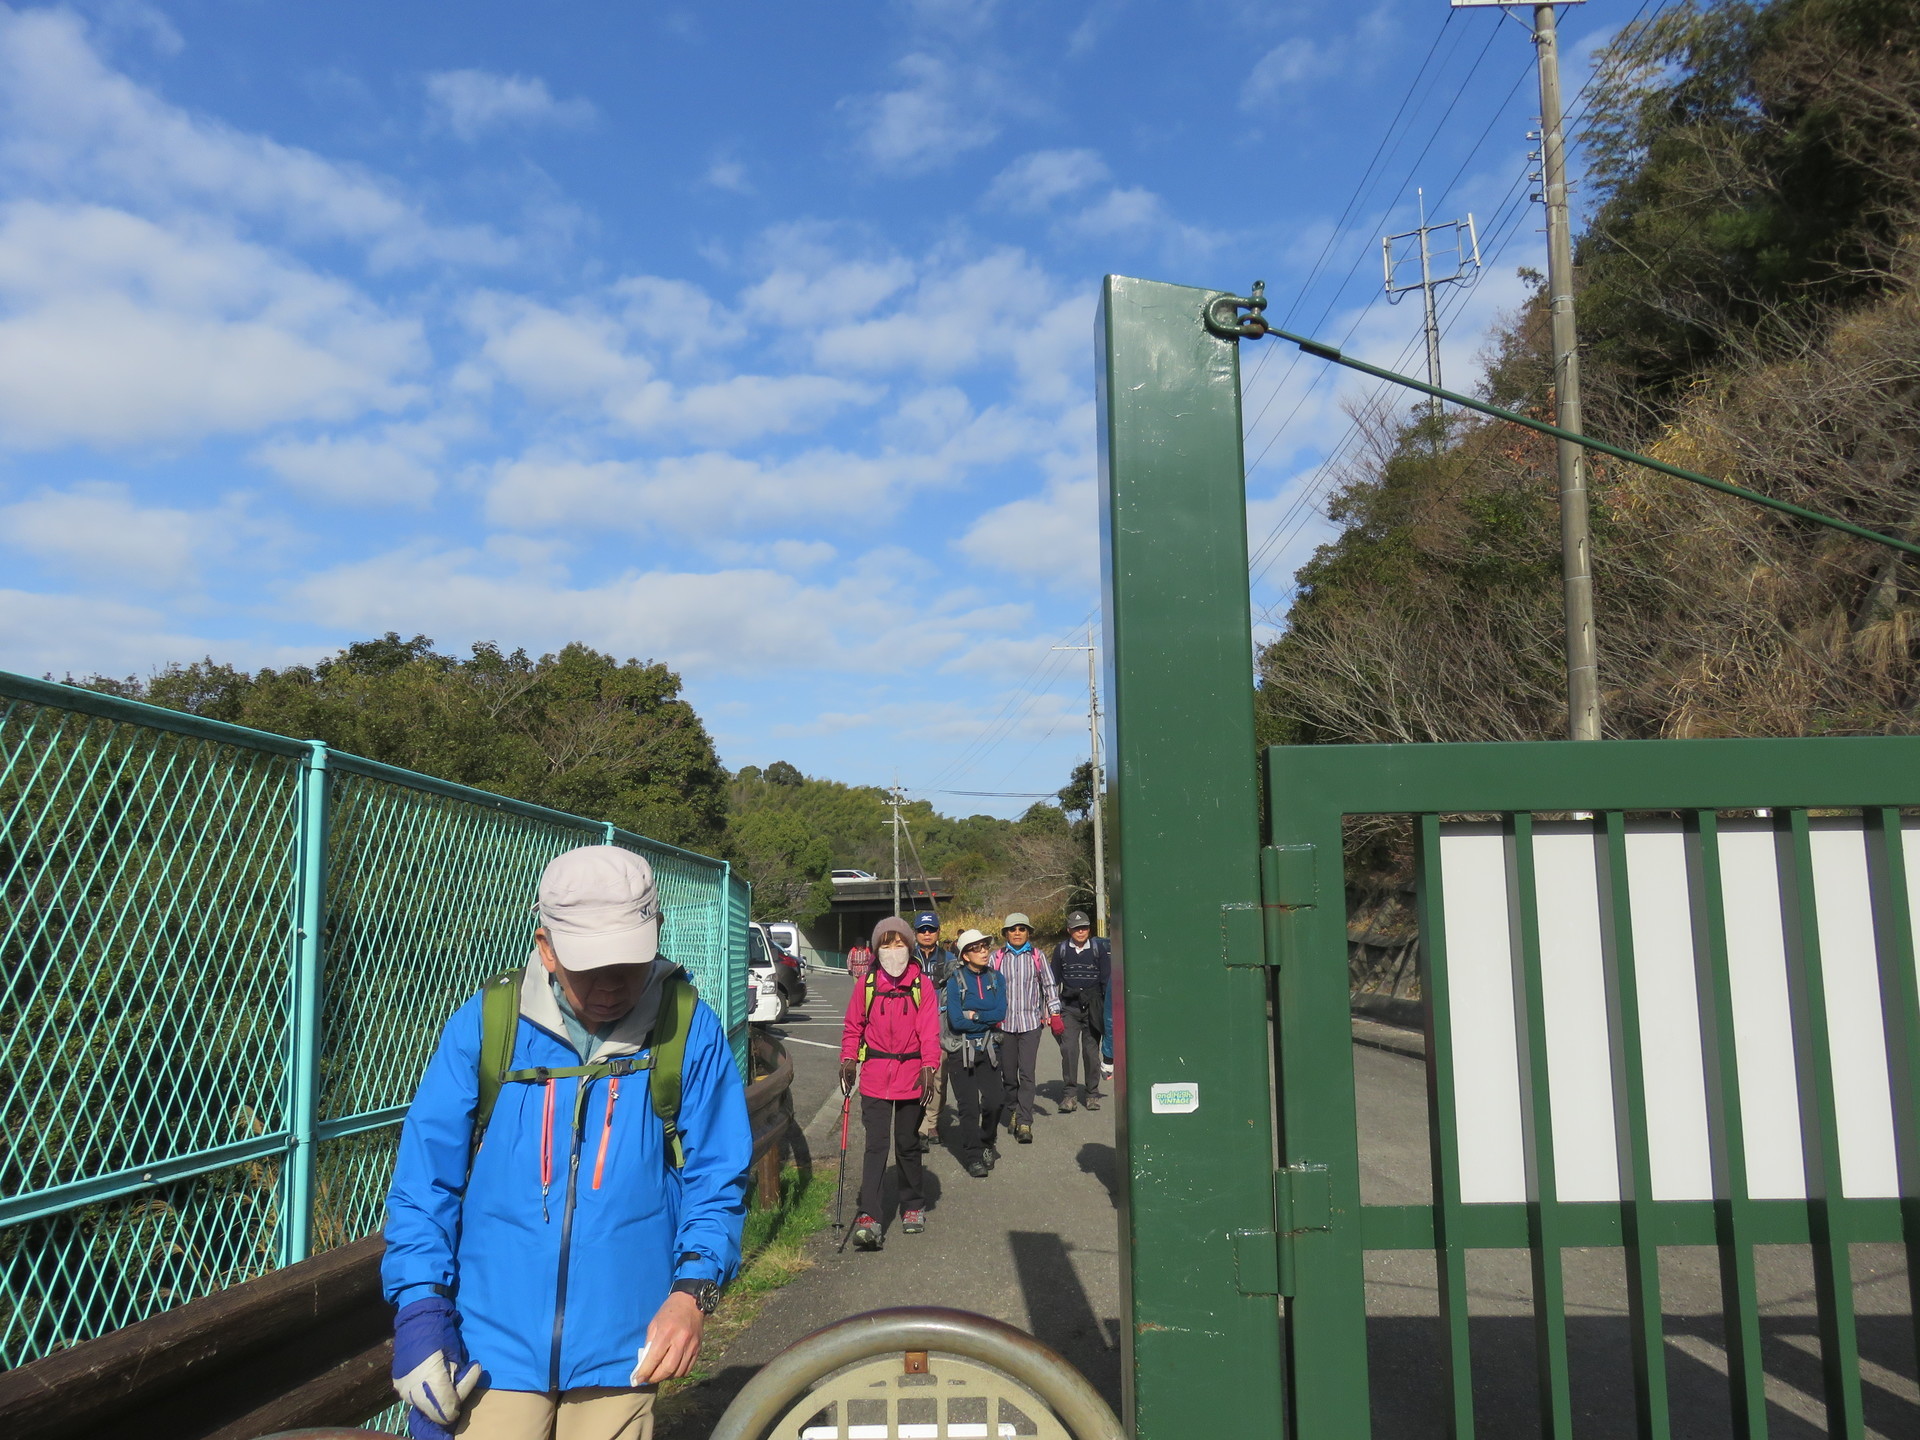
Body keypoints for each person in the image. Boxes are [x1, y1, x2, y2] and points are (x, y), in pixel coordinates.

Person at [382, 845, 751, 1440]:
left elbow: (718, 1176)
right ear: (546, 946)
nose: (608, 986)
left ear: (655, 933)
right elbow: (425, 1182)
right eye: (587, 964)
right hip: (489, 1345)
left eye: (626, 964)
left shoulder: (688, 1029)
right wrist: (422, 1307)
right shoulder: (487, 1024)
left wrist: (692, 1294)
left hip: (626, 1346)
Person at [839, 916, 940, 1249]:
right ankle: (871, 1214)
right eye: (886, 944)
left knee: (907, 1142)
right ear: (876, 948)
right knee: (876, 1144)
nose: (893, 951)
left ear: (909, 947)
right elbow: (853, 1026)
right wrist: (848, 1060)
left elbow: (929, 1029)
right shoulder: (866, 985)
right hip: (875, 1075)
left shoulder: (921, 984)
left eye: (899, 944)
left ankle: (912, 1204)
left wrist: (929, 1066)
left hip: (912, 1073)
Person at [990, 913, 1060, 1144]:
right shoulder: (996, 958)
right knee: (1008, 1075)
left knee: (1027, 1074)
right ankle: (1012, 1109)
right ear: (1005, 933)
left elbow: (1049, 985)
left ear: (1028, 932)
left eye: (1022, 928)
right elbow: (987, 987)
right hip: (1005, 1025)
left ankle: (1024, 1121)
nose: (1017, 933)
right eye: (1012, 929)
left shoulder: (1037, 957)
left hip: (1031, 1024)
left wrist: (1055, 1013)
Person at [943, 929, 1006, 1178]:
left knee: (995, 1101)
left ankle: (987, 1141)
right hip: (961, 1050)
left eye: (985, 947)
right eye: (977, 948)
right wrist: (983, 1019)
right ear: (965, 955)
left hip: (990, 1048)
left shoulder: (997, 978)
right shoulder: (955, 980)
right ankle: (973, 1156)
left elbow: (1000, 1013)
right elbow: (956, 1021)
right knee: (968, 1107)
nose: (983, 951)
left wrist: (975, 1015)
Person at [1050, 910, 1110, 1112]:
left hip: (1093, 1007)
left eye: (1084, 927)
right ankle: (1069, 1095)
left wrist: (1105, 1010)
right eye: (1076, 928)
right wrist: (1053, 1013)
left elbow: (1106, 980)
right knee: (1068, 1050)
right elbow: (1053, 982)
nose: (1081, 931)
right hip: (1069, 1007)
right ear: (1069, 930)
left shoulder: (1098, 949)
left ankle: (1092, 1094)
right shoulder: (1061, 950)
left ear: (1089, 929)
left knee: (1091, 1052)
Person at [911, 911, 956, 1140]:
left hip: (940, 1023)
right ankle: (915, 1119)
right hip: (911, 1022)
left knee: (938, 1075)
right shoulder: (907, 958)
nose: (926, 934)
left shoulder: (949, 959)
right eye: (922, 930)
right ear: (915, 933)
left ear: (938, 932)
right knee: (912, 1073)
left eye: (931, 929)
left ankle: (931, 1123)